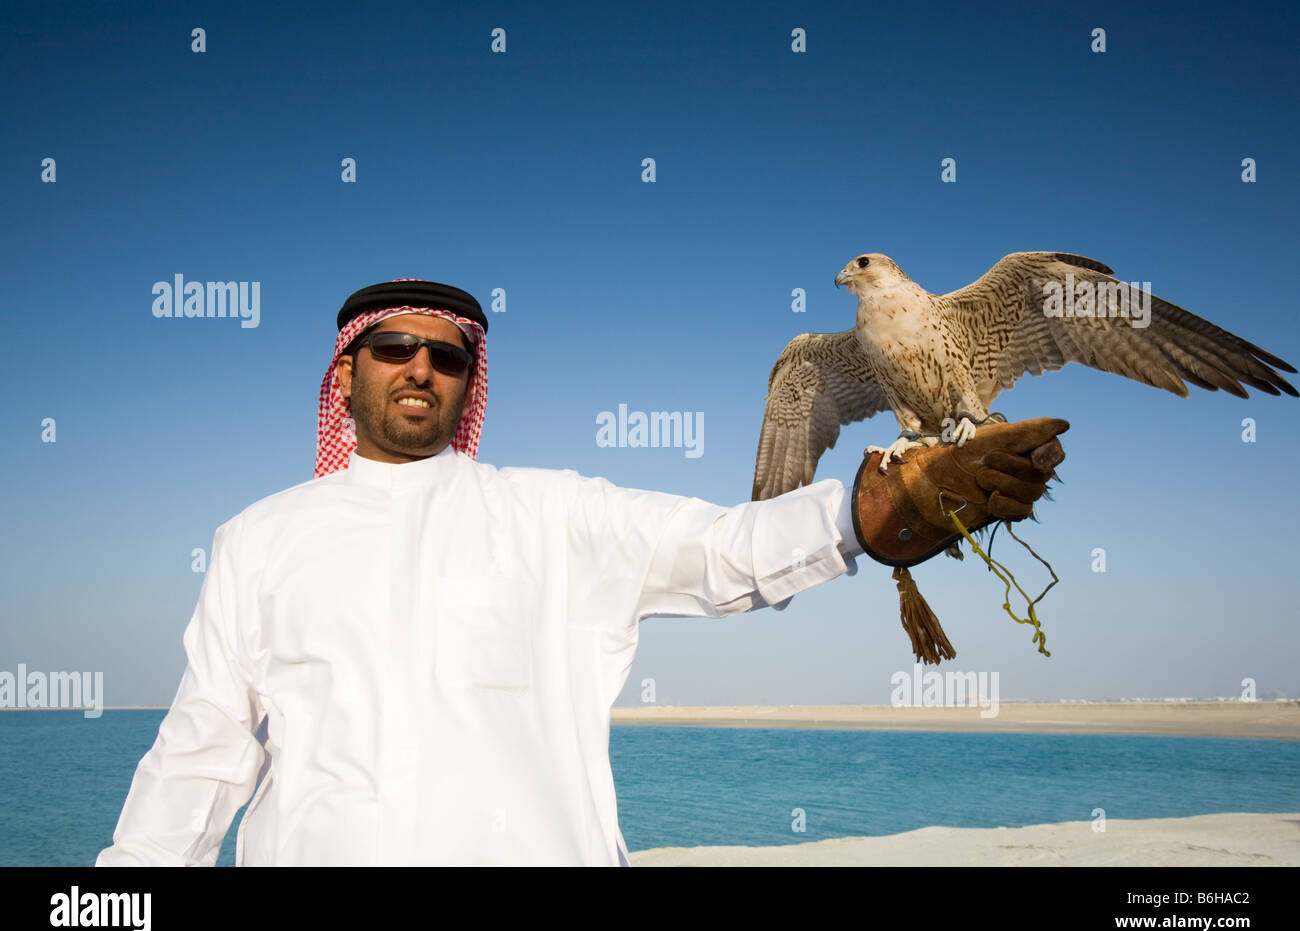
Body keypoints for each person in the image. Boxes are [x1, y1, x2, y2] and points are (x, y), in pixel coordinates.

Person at [95, 278, 1067, 866]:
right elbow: (199, 756)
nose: (420, 366)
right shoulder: (258, 540)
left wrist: (880, 507)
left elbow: (727, 547)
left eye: (448, 352)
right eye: (393, 347)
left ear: (471, 379)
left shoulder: (552, 513)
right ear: (346, 372)